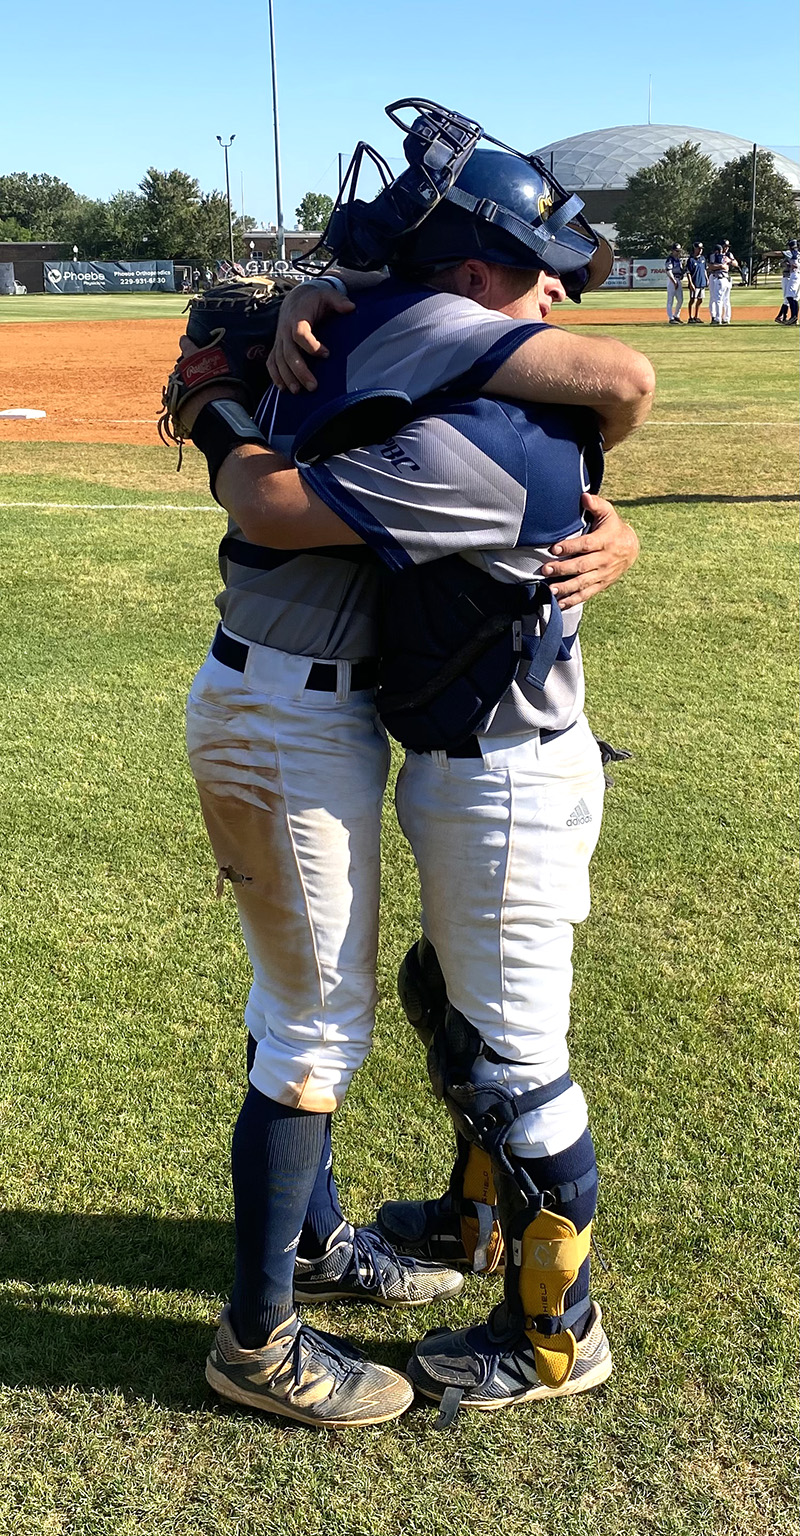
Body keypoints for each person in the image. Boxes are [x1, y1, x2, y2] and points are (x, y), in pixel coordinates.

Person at [172, 101, 654, 1428]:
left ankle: (552, 1328)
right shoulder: (430, 374)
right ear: (474, 278)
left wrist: (219, 397)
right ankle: (310, 1307)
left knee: (473, 1036)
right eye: (539, 268)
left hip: (478, 759)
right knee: (352, 1014)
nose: (556, 296)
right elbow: (592, 397)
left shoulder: (457, 410)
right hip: (314, 720)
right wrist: (241, 365)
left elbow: (613, 395)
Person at [708, 239, 740, 325]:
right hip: (715, 276)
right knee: (713, 298)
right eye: (725, 246)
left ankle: (725, 318)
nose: (726, 248)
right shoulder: (714, 255)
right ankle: (714, 317)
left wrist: (729, 261)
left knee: (725, 300)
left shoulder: (729, 254)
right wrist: (721, 266)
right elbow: (710, 266)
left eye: (727, 246)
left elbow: (736, 264)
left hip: (724, 278)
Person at [775, 238, 799, 324]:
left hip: (794, 275)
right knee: (794, 298)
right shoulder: (798, 253)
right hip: (797, 275)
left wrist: (766, 254)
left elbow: (778, 253)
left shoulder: (791, 252)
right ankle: (793, 318)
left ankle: (793, 317)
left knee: (789, 296)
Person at [685, 242, 707, 323]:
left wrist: (706, 279)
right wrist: (690, 283)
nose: (700, 250)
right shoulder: (690, 260)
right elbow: (688, 272)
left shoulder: (703, 259)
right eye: (699, 248)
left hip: (702, 282)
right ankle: (690, 317)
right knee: (693, 299)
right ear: (695, 249)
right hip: (695, 282)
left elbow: (704, 270)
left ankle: (696, 316)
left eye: (701, 249)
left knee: (700, 300)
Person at [665, 244, 685, 323]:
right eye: (677, 251)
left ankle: (676, 315)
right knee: (670, 300)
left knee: (680, 300)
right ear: (673, 251)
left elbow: (680, 271)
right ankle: (671, 318)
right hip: (672, 280)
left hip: (678, 279)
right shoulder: (670, 259)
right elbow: (668, 271)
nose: (678, 252)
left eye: (679, 251)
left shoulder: (679, 260)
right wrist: (674, 281)